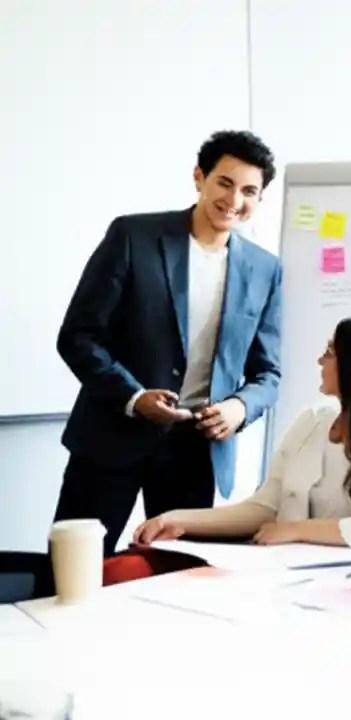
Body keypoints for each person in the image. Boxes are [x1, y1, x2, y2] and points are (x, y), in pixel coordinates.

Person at [54, 130, 284, 555]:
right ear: (199, 177)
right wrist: (134, 396)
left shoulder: (265, 269)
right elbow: (79, 336)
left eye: (249, 191)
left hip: (196, 449)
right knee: (74, 572)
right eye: (225, 183)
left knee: (180, 575)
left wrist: (239, 407)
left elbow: (267, 373)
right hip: (112, 436)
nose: (234, 200)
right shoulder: (133, 236)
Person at [132, 317, 351, 551]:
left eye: (330, 353)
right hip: (279, 569)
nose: (320, 360)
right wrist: (177, 519)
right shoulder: (312, 420)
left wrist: (296, 530)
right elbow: (265, 507)